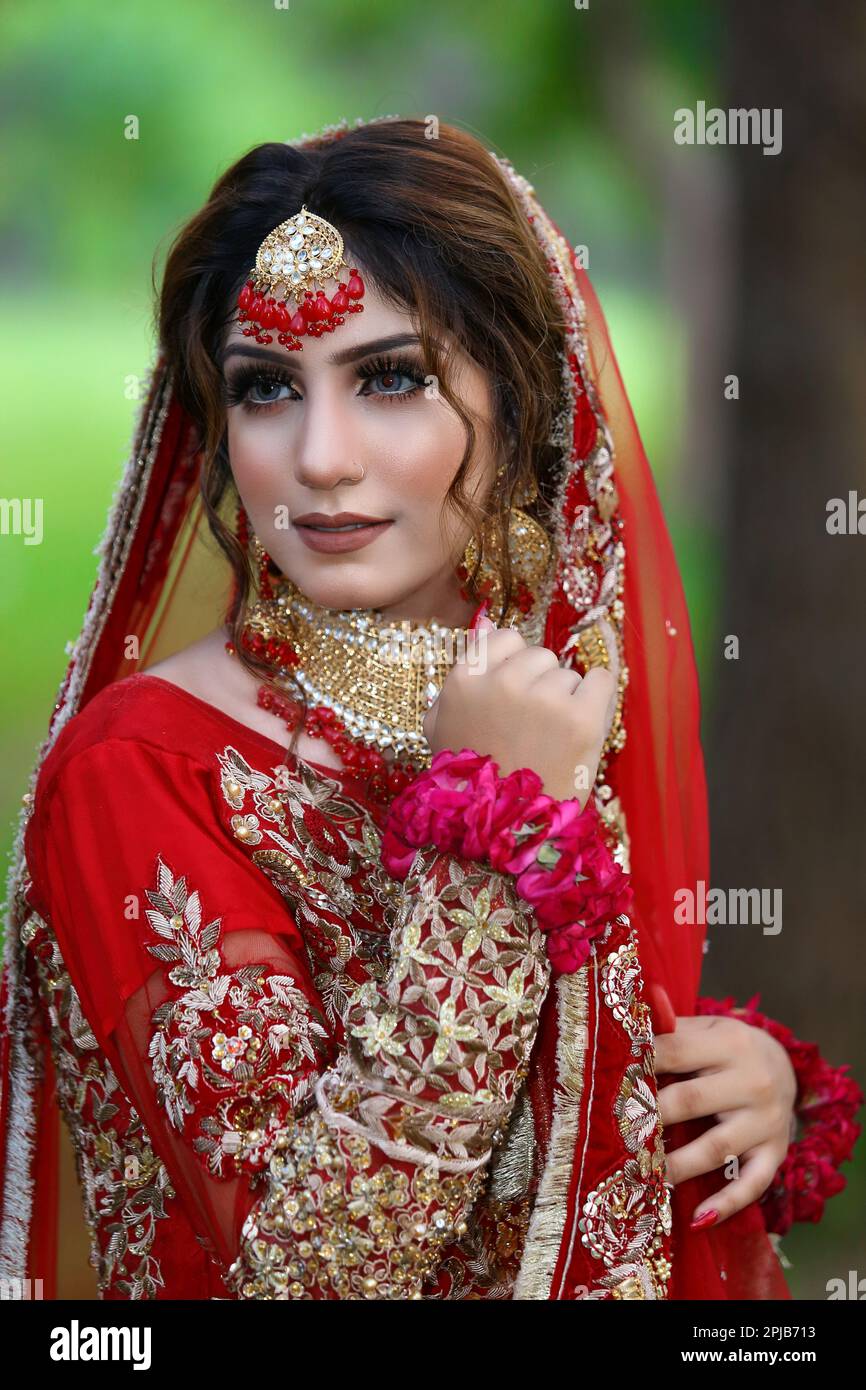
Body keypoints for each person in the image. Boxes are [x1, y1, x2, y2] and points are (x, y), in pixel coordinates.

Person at [0, 116, 858, 1301]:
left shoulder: (535, 698)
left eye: (389, 377)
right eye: (262, 390)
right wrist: (492, 831)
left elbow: (556, 1100)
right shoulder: (138, 772)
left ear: (521, 399)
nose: (320, 456)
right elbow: (311, 1274)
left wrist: (731, 1078)